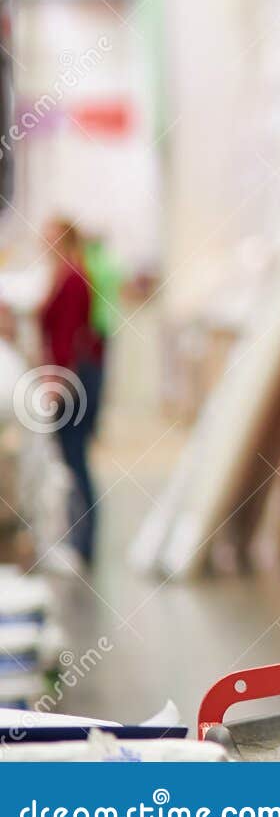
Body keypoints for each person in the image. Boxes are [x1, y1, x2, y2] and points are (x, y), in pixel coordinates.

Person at [38, 219, 106, 567]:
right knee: (71, 460)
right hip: (73, 375)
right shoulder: (65, 276)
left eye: (49, 238)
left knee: (75, 459)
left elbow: (67, 335)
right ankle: (77, 539)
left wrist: (57, 382)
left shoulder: (72, 279)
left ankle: (83, 543)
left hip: (73, 379)